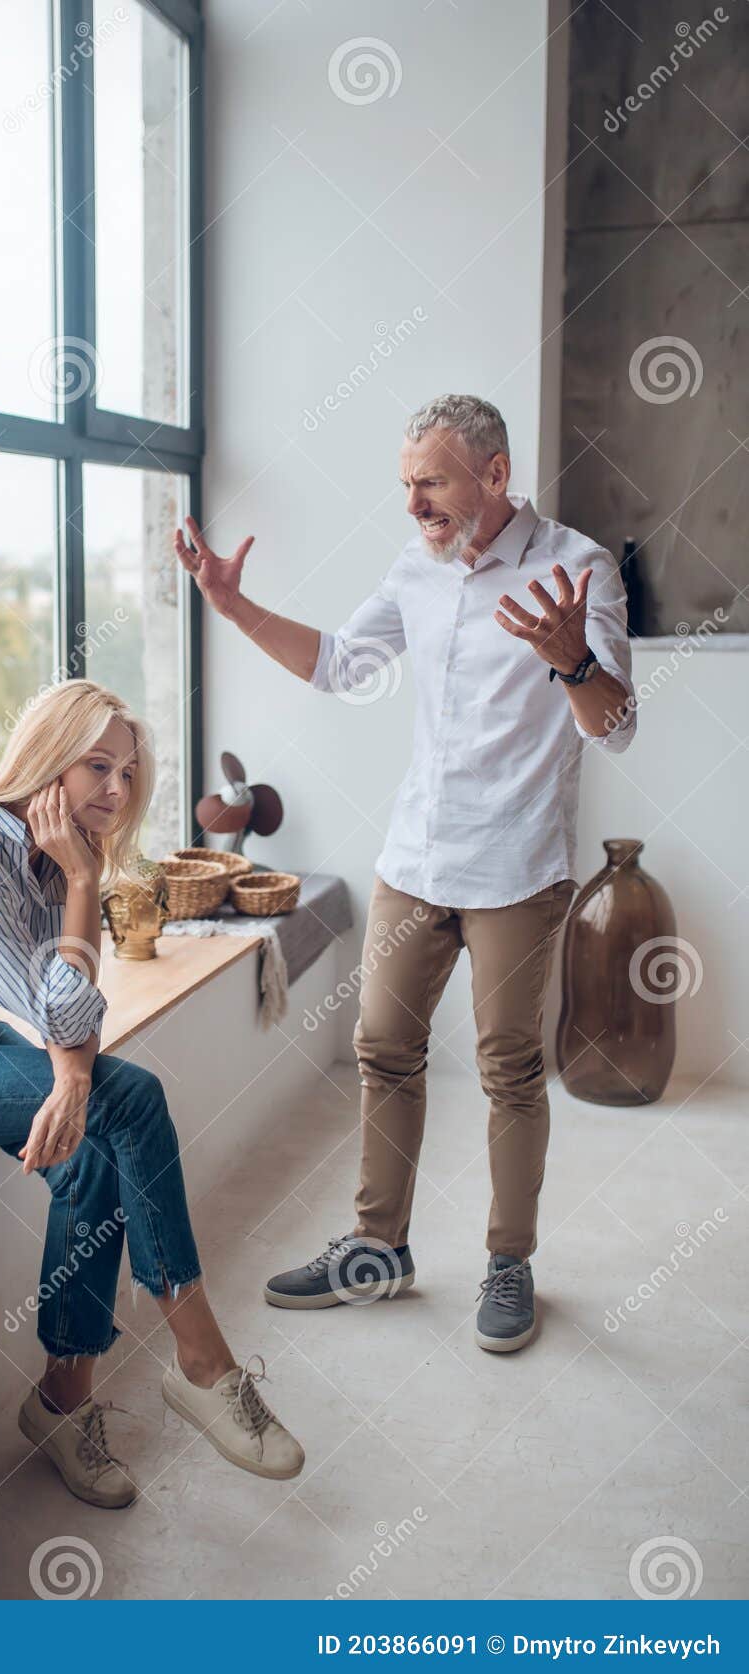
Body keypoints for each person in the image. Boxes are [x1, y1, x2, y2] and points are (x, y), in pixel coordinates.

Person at [175, 394, 637, 1353]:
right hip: (416, 859)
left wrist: (571, 661)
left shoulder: (578, 567)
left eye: (430, 481)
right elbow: (342, 665)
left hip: (517, 867)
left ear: (494, 475)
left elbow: (616, 727)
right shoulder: (415, 571)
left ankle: (509, 1263)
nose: (413, 503)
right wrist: (230, 604)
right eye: (405, 484)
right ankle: (377, 1250)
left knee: (509, 1068)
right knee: (382, 1047)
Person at [0, 678, 304, 1507]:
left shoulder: (42, 846)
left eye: (126, 771)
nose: (116, 790)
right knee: (135, 1098)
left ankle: (61, 1405)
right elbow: (58, 1010)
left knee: (92, 1153)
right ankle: (204, 1363)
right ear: (47, 764)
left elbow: (66, 1016)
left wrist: (72, 1071)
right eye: (96, 767)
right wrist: (83, 887)